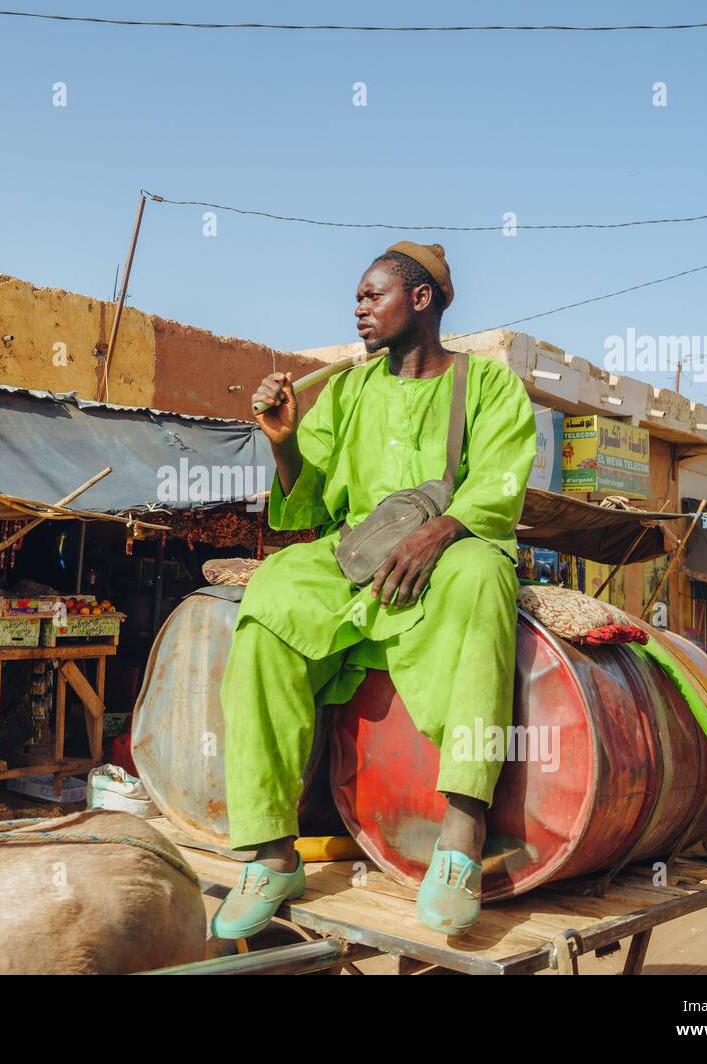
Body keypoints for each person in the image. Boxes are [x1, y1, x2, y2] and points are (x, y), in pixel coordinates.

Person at [211, 242, 537, 939]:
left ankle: (461, 833)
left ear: (421, 300)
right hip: (355, 551)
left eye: (371, 295)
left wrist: (443, 531)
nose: (358, 308)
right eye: (357, 298)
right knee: (272, 594)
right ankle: (272, 851)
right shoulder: (349, 391)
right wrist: (282, 442)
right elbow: (310, 505)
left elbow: (501, 482)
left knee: (484, 576)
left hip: (449, 550)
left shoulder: (489, 387)